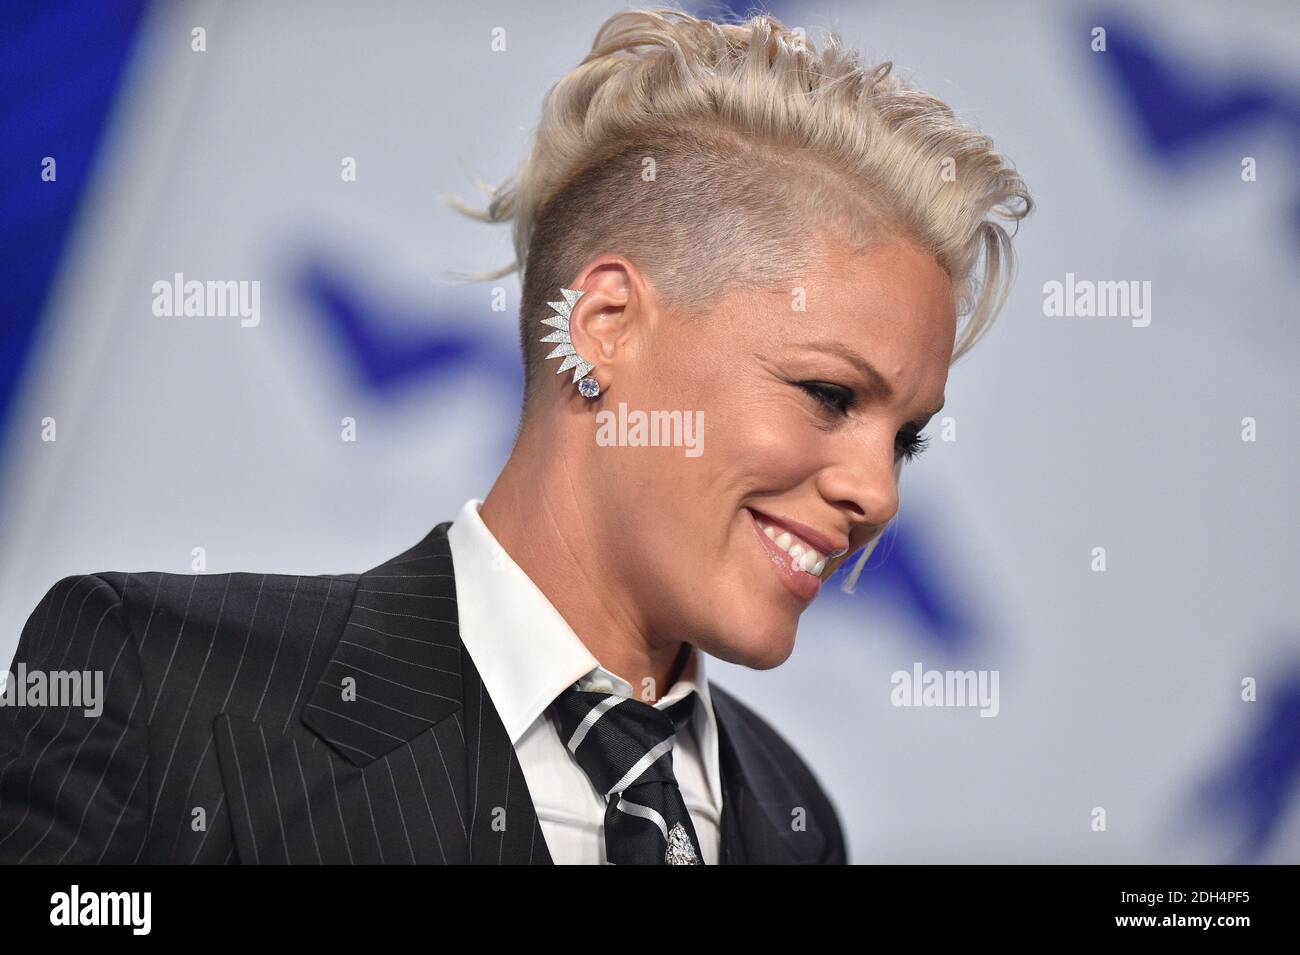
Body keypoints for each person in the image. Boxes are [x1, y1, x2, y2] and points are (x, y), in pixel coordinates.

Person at [0, 6, 1030, 864]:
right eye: (827, 393)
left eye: (908, 438)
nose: (877, 494)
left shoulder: (791, 822)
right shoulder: (162, 690)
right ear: (605, 327)